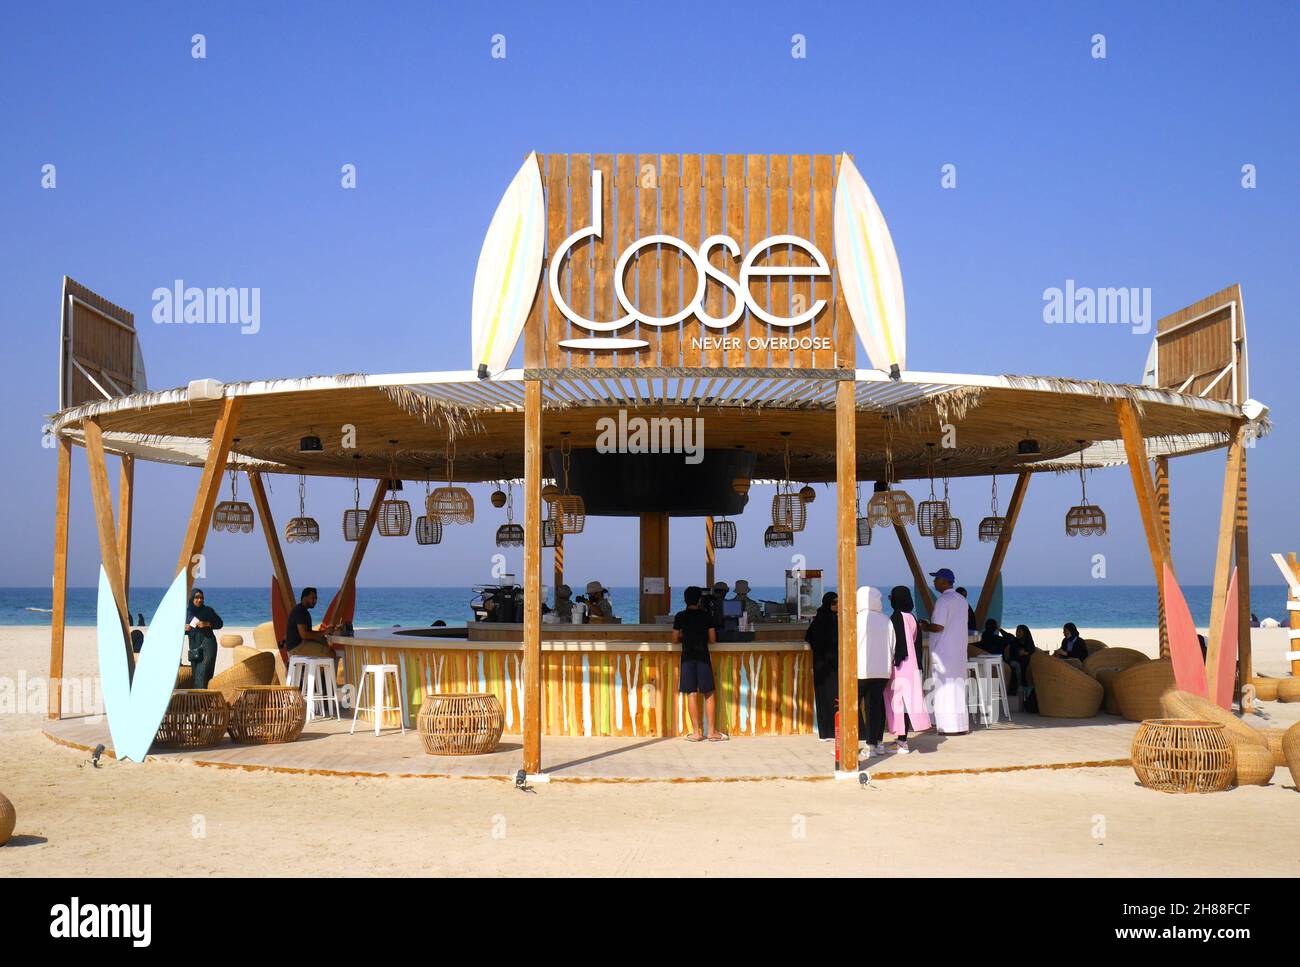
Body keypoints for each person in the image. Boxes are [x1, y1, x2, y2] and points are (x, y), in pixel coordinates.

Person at [920, 568, 970, 735]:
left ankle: (946, 726)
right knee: (957, 688)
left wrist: (925, 626)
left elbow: (938, 626)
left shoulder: (943, 600)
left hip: (943, 653)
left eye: (936, 579)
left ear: (943, 581)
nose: (934, 582)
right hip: (959, 652)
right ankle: (960, 725)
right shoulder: (962, 600)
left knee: (943, 688)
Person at [673, 586, 726, 742]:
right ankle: (711, 732)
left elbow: (674, 639)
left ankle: (696, 733)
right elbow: (713, 640)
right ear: (699, 600)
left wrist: (686, 639)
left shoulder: (680, 616)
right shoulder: (706, 616)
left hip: (687, 658)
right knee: (708, 693)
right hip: (703, 657)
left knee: (691, 693)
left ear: (685, 600)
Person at [885, 586, 930, 753]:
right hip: (912, 665)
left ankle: (902, 741)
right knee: (908, 703)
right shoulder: (912, 618)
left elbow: (895, 644)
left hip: (899, 666)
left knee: (897, 703)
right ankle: (901, 740)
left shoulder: (896, 617)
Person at [857, 586, 893, 757]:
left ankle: (852, 742)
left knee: (852, 707)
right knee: (876, 707)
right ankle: (876, 743)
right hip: (882, 671)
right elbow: (892, 645)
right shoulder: (886, 620)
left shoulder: (856, 619)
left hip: (860, 670)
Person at [804, 592, 838, 740]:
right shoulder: (827, 621)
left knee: (832, 698)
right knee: (828, 698)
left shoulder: (821, 620)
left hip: (826, 666)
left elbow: (809, 638)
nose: (837, 605)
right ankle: (828, 732)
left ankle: (830, 732)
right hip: (828, 667)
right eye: (834, 603)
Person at [184, 588, 223, 689]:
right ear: (192, 598)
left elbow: (219, 623)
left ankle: (202, 701)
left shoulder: (208, 611)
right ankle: (199, 701)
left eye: (201, 598)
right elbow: (174, 629)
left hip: (208, 644)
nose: (200, 600)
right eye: (197, 597)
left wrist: (207, 623)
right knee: (196, 673)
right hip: (194, 646)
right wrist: (183, 628)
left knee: (203, 672)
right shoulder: (186, 613)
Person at [285, 587, 334, 659]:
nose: (315, 601)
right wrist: (324, 632)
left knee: (323, 642)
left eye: (316, 598)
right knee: (331, 654)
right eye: (313, 598)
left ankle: (318, 669)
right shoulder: (300, 611)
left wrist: (322, 635)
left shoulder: (303, 611)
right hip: (296, 648)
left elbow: (308, 633)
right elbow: (304, 635)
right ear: (305, 598)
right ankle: (322, 670)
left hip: (302, 644)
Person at [1004, 624, 1038, 696]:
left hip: (1024, 661)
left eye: (1019, 631)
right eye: (1017, 631)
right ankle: (1020, 685)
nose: (1017, 633)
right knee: (1018, 665)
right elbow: (1012, 654)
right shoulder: (1014, 641)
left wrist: (1025, 653)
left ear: (1024, 633)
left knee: (1026, 661)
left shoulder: (1028, 641)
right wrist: (1019, 654)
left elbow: (1032, 650)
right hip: (1013, 660)